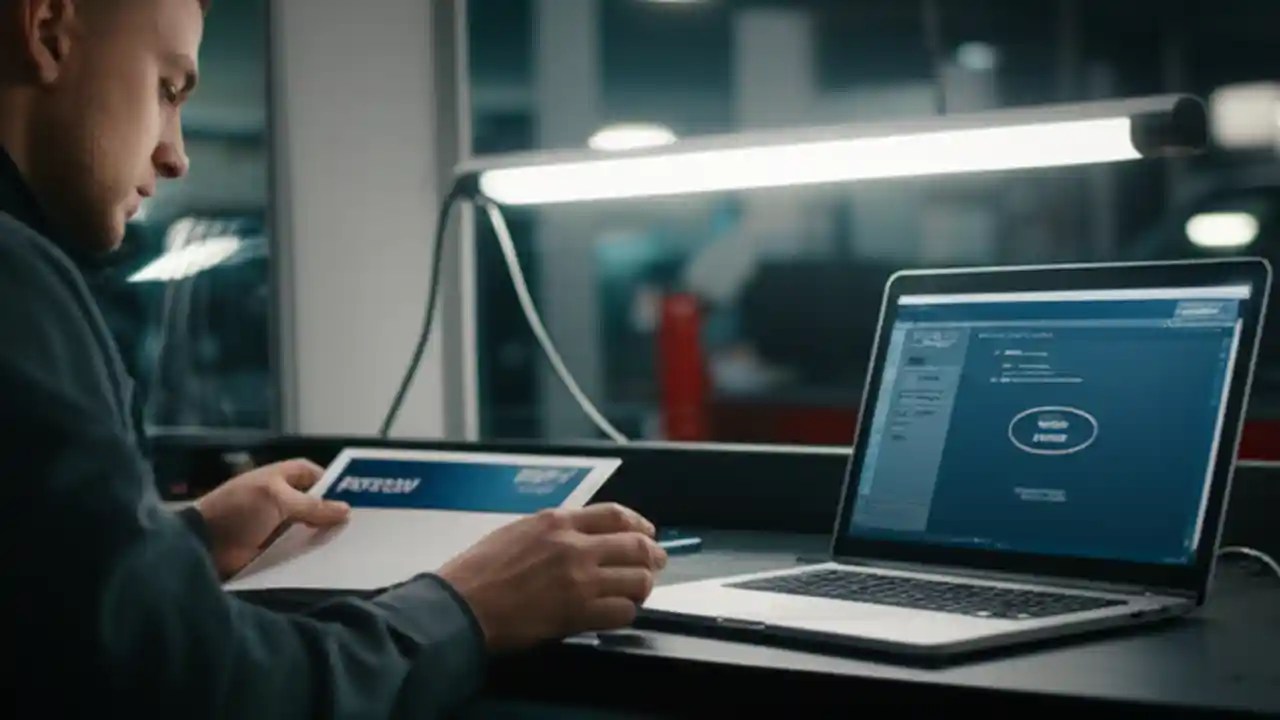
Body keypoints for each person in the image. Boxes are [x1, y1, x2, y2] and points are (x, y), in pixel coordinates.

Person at [0, 0, 666, 717]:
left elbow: (48, 611)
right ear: (47, 32)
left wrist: (188, 540)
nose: (176, 153)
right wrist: (465, 608)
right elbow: (196, 685)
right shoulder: (17, 285)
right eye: (168, 87)